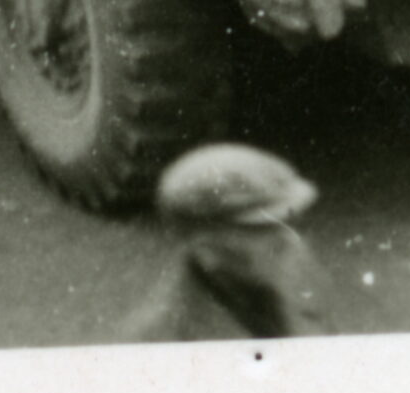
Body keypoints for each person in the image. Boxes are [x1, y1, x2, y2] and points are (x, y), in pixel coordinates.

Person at [125, 145, 330, 343]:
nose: (290, 239)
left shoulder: (274, 282)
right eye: (262, 229)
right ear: (208, 251)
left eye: (290, 221)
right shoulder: (172, 347)